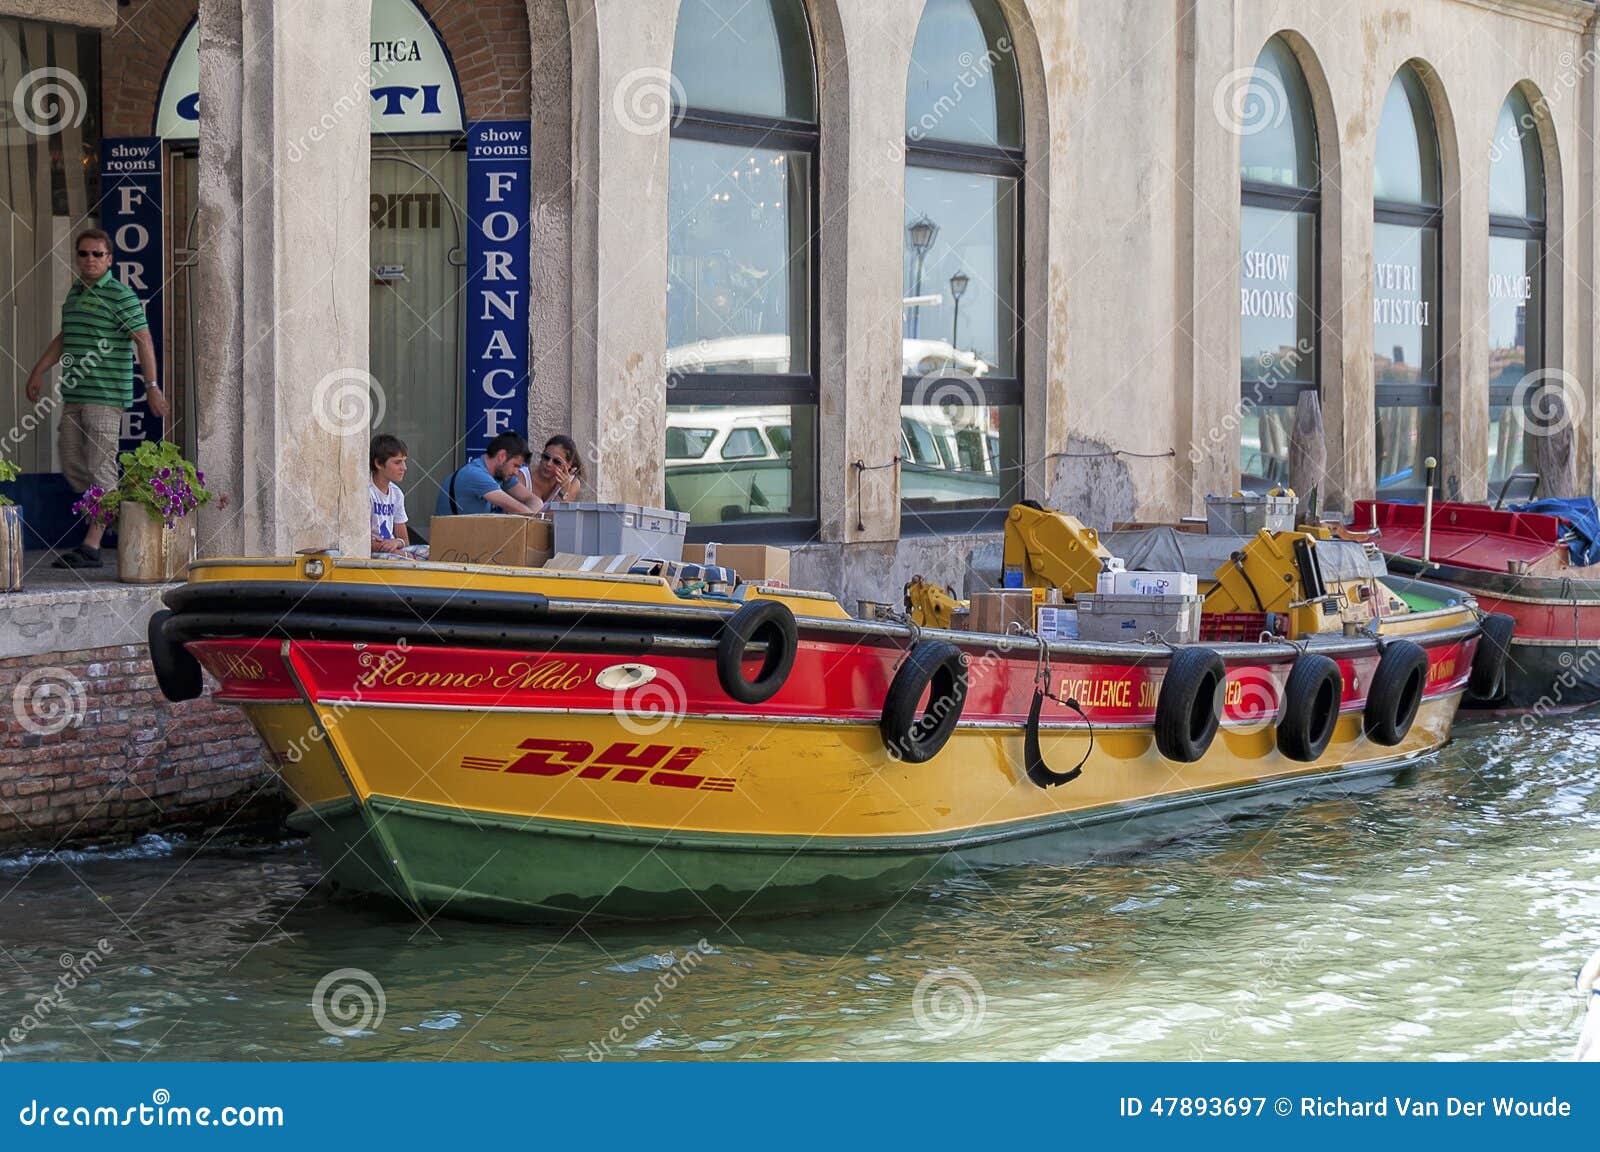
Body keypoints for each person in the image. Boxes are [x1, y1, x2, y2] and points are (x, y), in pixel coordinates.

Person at [24, 228, 169, 568]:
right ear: (77, 258)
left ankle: (92, 544)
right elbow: (66, 337)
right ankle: (115, 510)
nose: (90, 259)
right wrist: (38, 370)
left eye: (97, 254)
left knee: (100, 466)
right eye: (84, 253)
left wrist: (151, 385)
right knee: (72, 460)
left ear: (109, 259)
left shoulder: (121, 296)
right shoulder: (74, 293)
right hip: (75, 394)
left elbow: (143, 339)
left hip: (106, 396)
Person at [435, 432, 542, 517]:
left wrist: (530, 514)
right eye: (515, 466)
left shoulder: (502, 476)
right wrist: (531, 516)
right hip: (452, 537)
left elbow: (536, 500)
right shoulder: (475, 475)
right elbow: (517, 509)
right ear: (502, 456)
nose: (516, 472)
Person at [513, 434, 584, 506]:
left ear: (569, 465)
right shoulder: (522, 476)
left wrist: (564, 490)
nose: (548, 464)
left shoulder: (572, 483)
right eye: (546, 457)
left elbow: (558, 513)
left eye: (557, 462)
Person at [369, 434, 411, 554]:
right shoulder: (365, 492)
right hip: (374, 555)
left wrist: (396, 542)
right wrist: (403, 555)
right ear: (378, 463)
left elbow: (405, 540)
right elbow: (360, 541)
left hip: (393, 549)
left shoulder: (397, 493)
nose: (404, 468)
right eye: (397, 462)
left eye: (404, 461)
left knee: (432, 551)